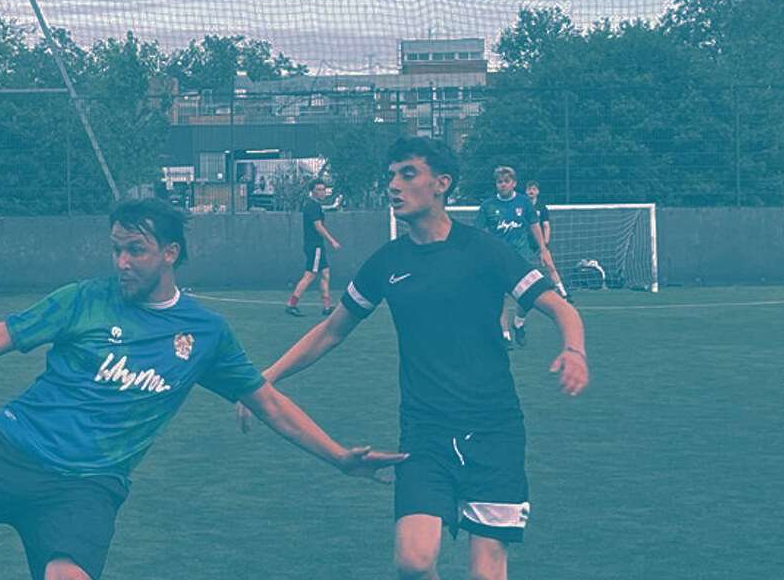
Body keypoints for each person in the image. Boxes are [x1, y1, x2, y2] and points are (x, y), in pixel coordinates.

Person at [0, 198, 405, 580]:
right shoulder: (86, 298)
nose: (122, 262)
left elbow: (267, 402)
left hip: (87, 486)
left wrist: (338, 457)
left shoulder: (205, 335)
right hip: (10, 448)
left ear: (169, 252)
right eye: (117, 249)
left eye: (136, 250)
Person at [239, 138, 588, 580]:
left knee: (486, 573)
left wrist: (573, 350)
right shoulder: (387, 262)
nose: (394, 185)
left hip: (494, 428)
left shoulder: (483, 249)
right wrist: (265, 379)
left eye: (407, 174)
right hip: (425, 433)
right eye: (390, 176)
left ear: (442, 184)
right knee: (412, 561)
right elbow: (331, 330)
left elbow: (561, 308)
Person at [477, 167, 557, 347]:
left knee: (527, 296)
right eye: (499, 182)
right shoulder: (487, 206)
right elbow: (480, 232)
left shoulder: (524, 202)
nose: (502, 185)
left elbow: (534, 226)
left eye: (506, 181)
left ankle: (518, 324)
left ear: (513, 183)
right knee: (499, 297)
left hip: (521, 257)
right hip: (496, 259)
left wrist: (543, 249)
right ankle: (505, 335)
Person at [285, 179, 342, 317]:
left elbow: (325, 211)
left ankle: (327, 307)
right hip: (315, 246)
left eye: (324, 189)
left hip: (317, 246)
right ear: (312, 191)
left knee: (325, 273)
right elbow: (318, 226)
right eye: (319, 189)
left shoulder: (315, 205)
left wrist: (335, 205)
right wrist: (332, 241)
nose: (323, 192)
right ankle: (291, 304)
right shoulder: (312, 206)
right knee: (310, 275)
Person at [524, 181, 570, 301]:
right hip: (524, 243)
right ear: (525, 191)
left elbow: (546, 226)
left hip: (538, 243)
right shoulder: (522, 206)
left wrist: (544, 243)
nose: (531, 191)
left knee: (550, 266)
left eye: (533, 189)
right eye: (529, 189)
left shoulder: (542, 207)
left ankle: (563, 293)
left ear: (537, 192)